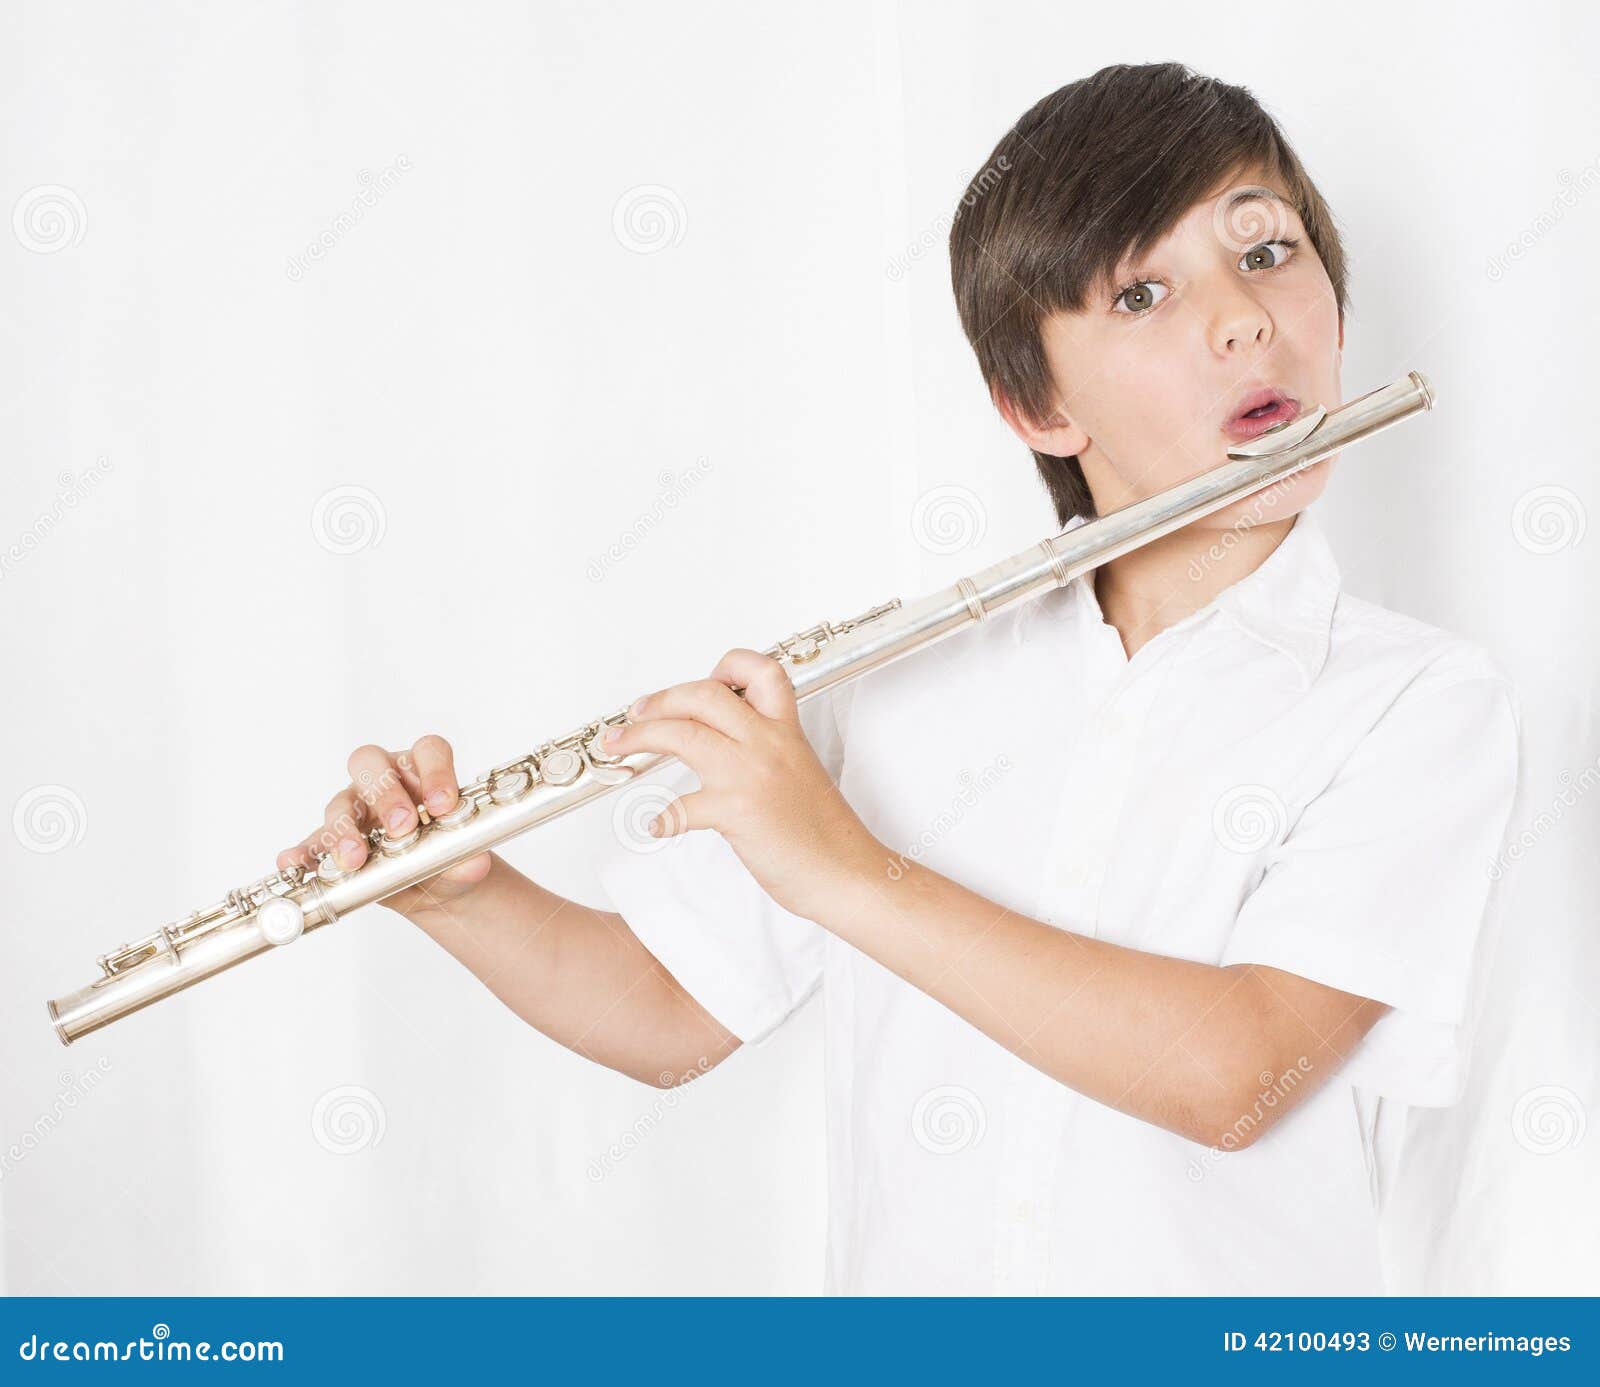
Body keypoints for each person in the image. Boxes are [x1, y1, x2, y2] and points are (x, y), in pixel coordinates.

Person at [276, 62, 1520, 1294]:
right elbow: (667, 1012)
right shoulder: (904, 680)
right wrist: (458, 896)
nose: (1243, 317)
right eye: (1141, 291)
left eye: (1265, 253)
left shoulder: (1415, 703)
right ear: (1036, 407)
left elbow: (1235, 1074)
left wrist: (835, 865)